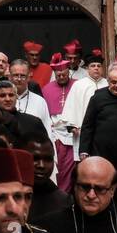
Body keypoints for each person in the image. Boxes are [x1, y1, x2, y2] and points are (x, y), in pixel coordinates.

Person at [78, 61, 117, 218]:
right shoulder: (98, 97)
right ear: (108, 80)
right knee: (102, 189)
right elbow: (88, 125)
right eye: (113, 82)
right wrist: (84, 150)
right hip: (101, 154)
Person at [41, 53, 79, 192]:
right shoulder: (47, 89)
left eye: (64, 75)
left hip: (73, 133)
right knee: (59, 167)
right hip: (56, 134)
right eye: (58, 75)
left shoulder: (77, 86)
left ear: (68, 72)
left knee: (73, 168)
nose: (61, 77)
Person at [21, 135, 72, 220]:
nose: (41, 165)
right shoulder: (3, 195)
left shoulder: (64, 202)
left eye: (48, 159)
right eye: (35, 159)